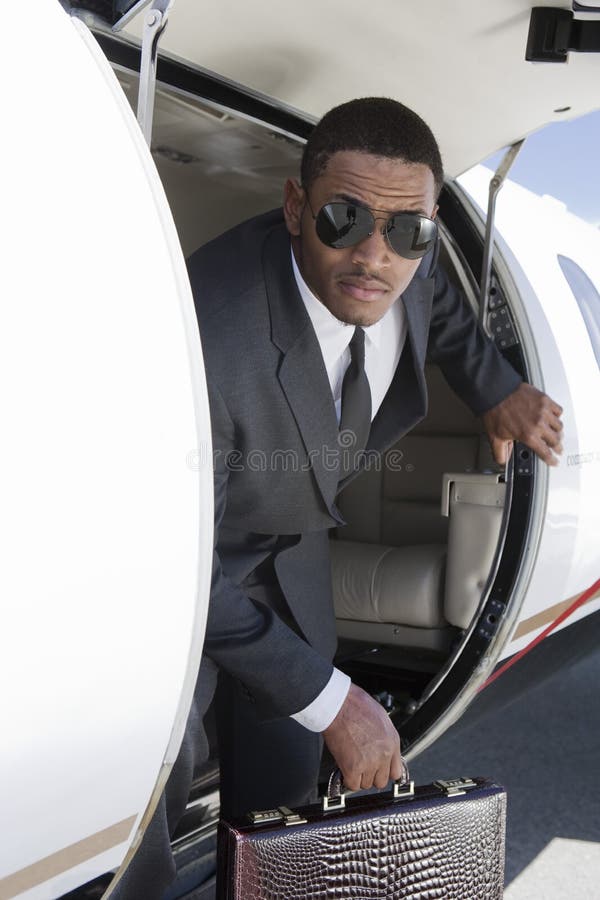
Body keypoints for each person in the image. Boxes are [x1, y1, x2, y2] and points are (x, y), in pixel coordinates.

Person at [110, 97, 563, 899]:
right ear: (295, 207)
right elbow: (178, 572)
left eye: (408, 231)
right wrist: (338, 702)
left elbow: (443, 310)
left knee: (287, 800)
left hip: (292, 551)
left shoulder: (409, 271)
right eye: (343, 218)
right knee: (144, 806)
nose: (374, 255)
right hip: (174, 583)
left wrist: (498, 388)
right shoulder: (210, 338)